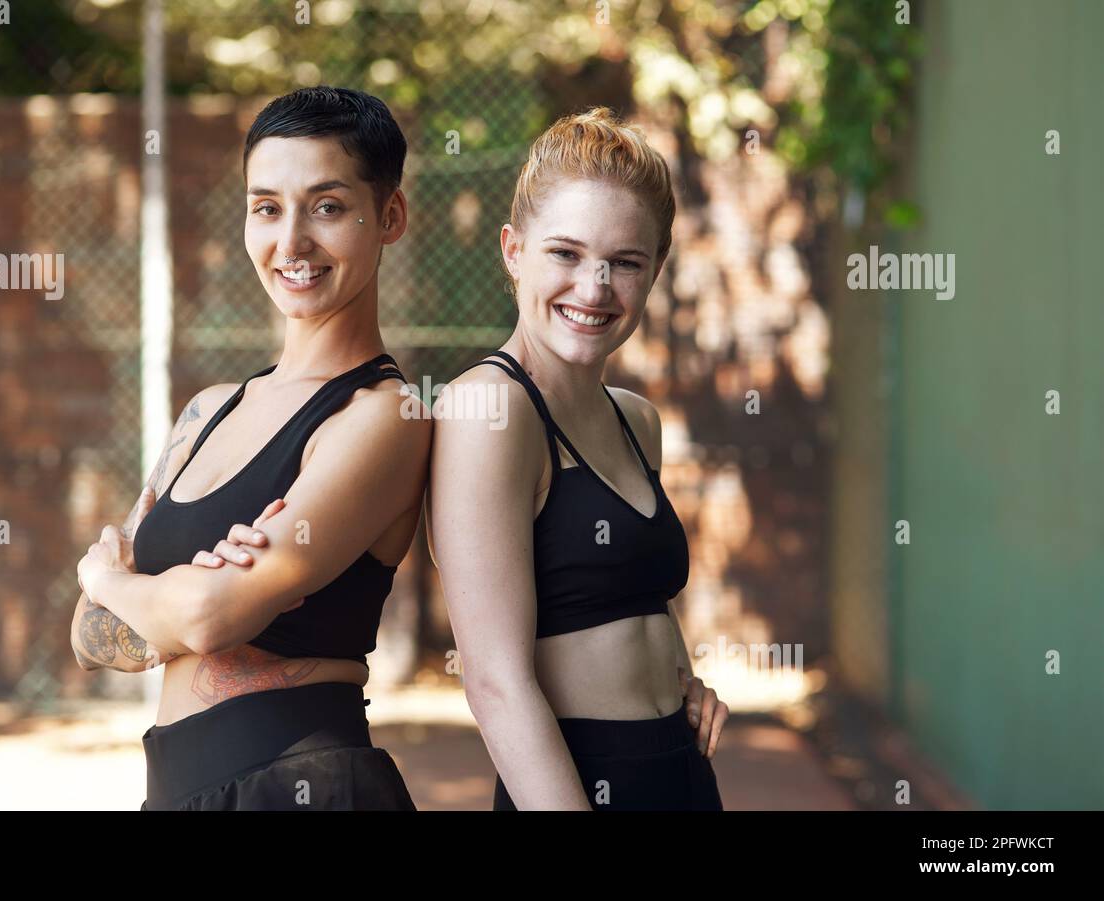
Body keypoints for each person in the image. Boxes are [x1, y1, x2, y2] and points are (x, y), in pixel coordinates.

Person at [70, 86, 431, 811]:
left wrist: (113, 580)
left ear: (388, 217)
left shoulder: (384, 414)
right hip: (178, 794)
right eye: (266, 207)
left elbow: (200, 616)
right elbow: (90, 638)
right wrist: (183, 597)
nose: (291, 242)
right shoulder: (205, 411)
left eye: (326, 206)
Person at [428, 107, 729, 810]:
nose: (594, 288)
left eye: (625, 262)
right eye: (565, 253)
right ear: (512, 250)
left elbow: (631, 602)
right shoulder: (492, 411)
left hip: (683, 773)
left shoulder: (637, 420)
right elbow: (495, 682)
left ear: (655, 271)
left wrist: (682, 682)